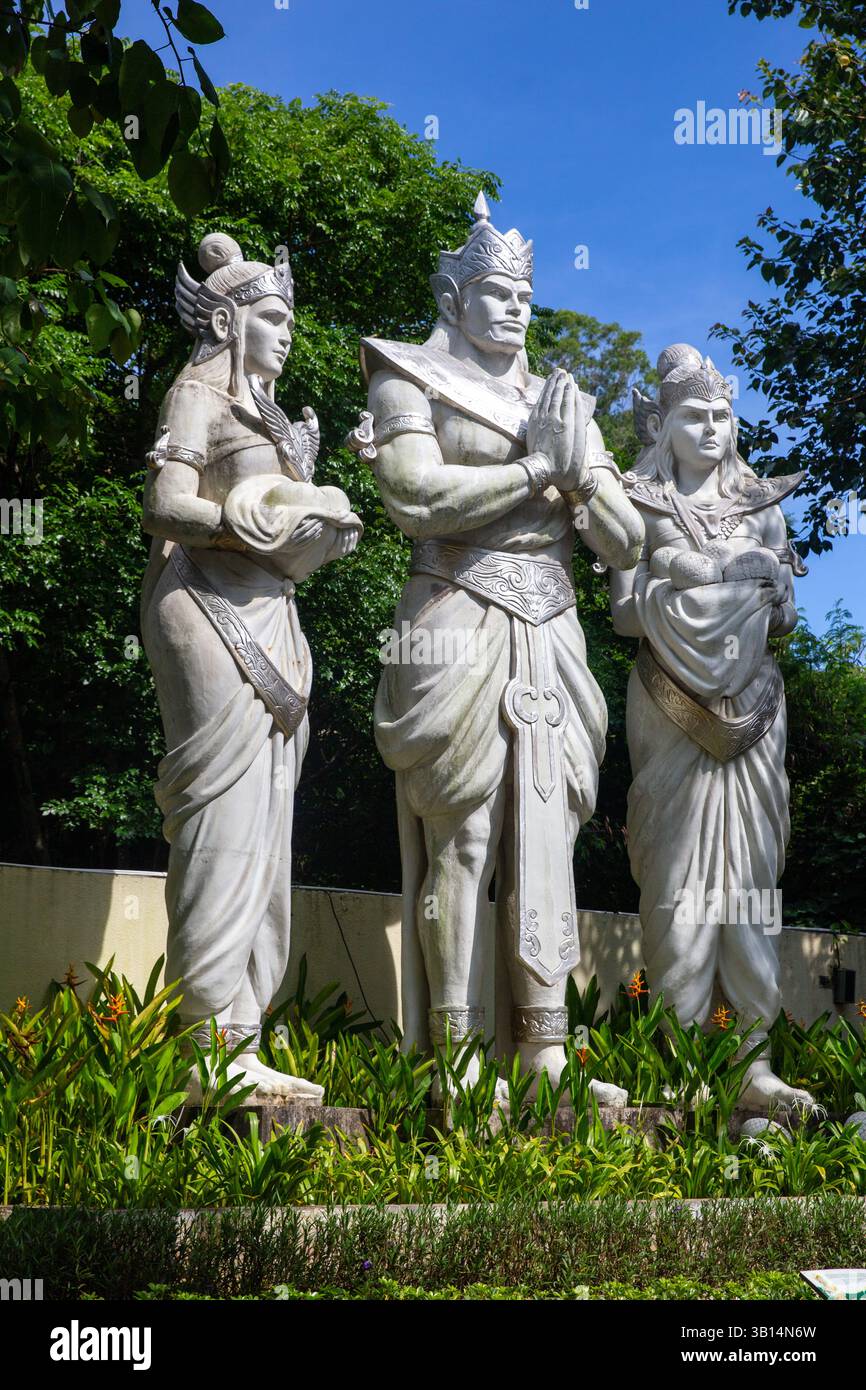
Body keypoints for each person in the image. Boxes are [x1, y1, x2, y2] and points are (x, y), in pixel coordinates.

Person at [352, 193, 643, 1096]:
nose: (516, 306)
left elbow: (628, 539)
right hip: (454, 613)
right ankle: (458, 1056)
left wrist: (578, 482)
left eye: (524, 292)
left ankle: (546, 1052)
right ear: (454, 298)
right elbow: (413, 497)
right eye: (495, 292)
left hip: (551, 625)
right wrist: (537, 474)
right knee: (467, 835)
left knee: (545, 837)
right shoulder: (408, 376)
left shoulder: (560, 400)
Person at [141, 232, 362, 1099]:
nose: (288, 331)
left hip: (276, 612)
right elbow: (163, 504)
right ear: (228, 319)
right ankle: (202, 1048)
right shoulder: (198, 392)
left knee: (269, 825)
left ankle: (241, 1034)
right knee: (219, 817)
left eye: (292, 318)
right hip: (202, 602)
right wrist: (253, 522)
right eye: (273, 316)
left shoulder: (273, 413)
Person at [610, 343, 815, 1112]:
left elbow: (788, 618)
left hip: (756, 711)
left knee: (753, 885)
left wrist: (762, 579)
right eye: (692, 416)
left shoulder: (765, 506)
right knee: (675, 883)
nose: (709, 428)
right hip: (670, 706)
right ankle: (681, 1066)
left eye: (721, 415)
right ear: (660, 423)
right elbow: (625, 612)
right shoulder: (636, 502)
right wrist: (698, 579)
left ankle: (754, 1069)